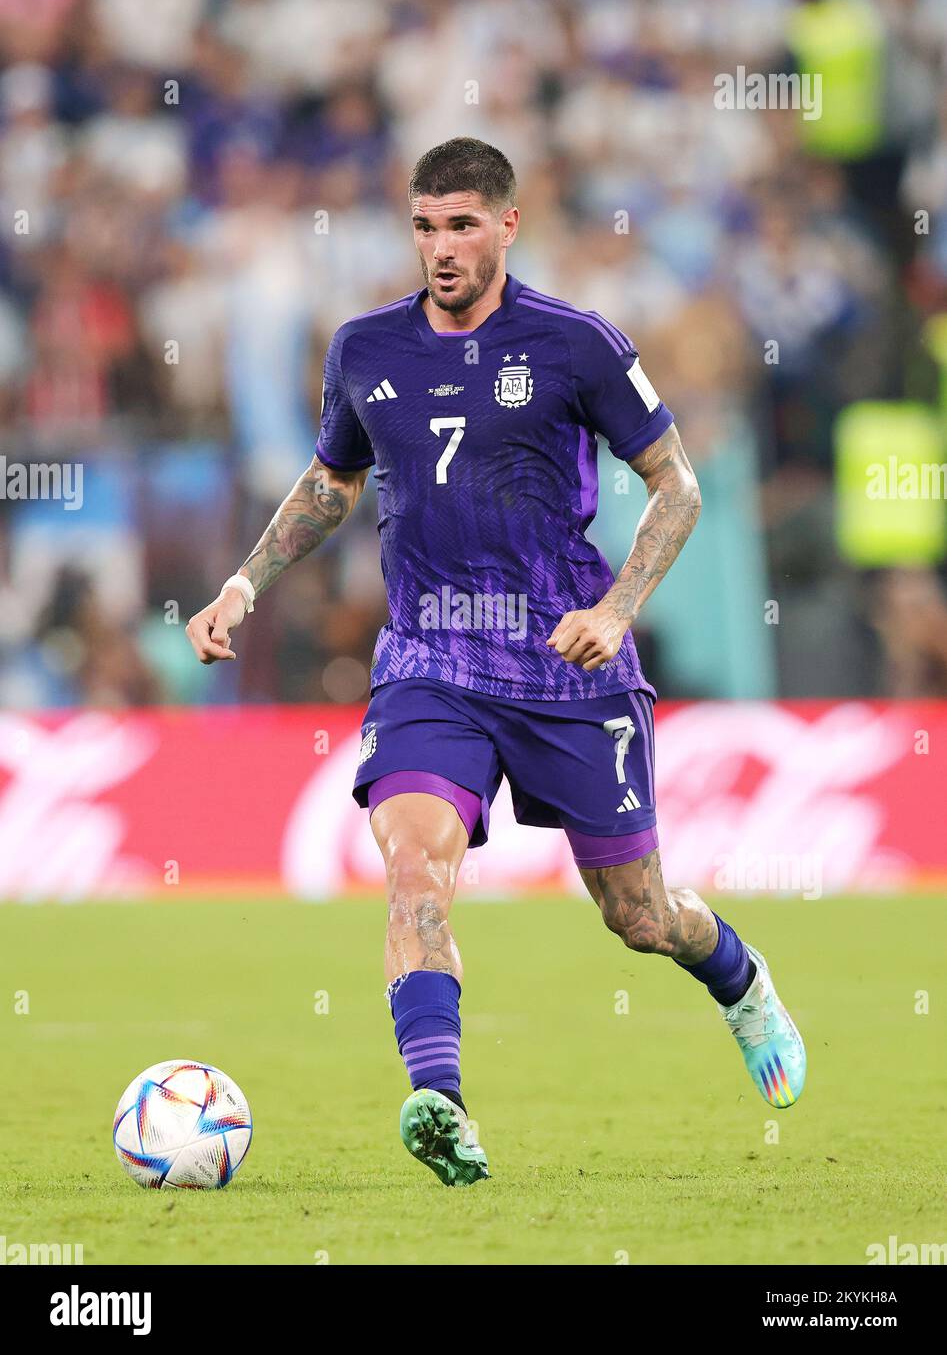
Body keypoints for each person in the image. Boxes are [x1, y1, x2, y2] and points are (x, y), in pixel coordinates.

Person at [186, 137, 806, 1187]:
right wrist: (245, 580)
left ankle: (741, 984)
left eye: (462, 224)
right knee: (416, 867)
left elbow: (678, 485)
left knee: (638, 915)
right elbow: (332, 482)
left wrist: (616, 608)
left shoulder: (576, 344)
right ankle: (441, 1102)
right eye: (424, 226)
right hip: (430, 660)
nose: (440, 247)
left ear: (507, 225)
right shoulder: (363, 348)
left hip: (566, 664)